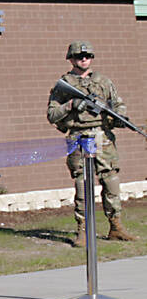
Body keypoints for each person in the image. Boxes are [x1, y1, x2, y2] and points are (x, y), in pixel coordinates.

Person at [46, 41, 137, 245]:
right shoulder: (64, 84)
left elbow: (118, 104)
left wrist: (120, 116)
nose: (84, 59)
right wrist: (71, 104)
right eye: (79, 56)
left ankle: (116, 226)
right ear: (71, 59)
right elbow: (52, 114)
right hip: (79, 138)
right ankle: (83, 230)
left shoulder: (103, 81)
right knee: (82, 183)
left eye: (87, 56)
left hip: (103, 137)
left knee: (111, 181)